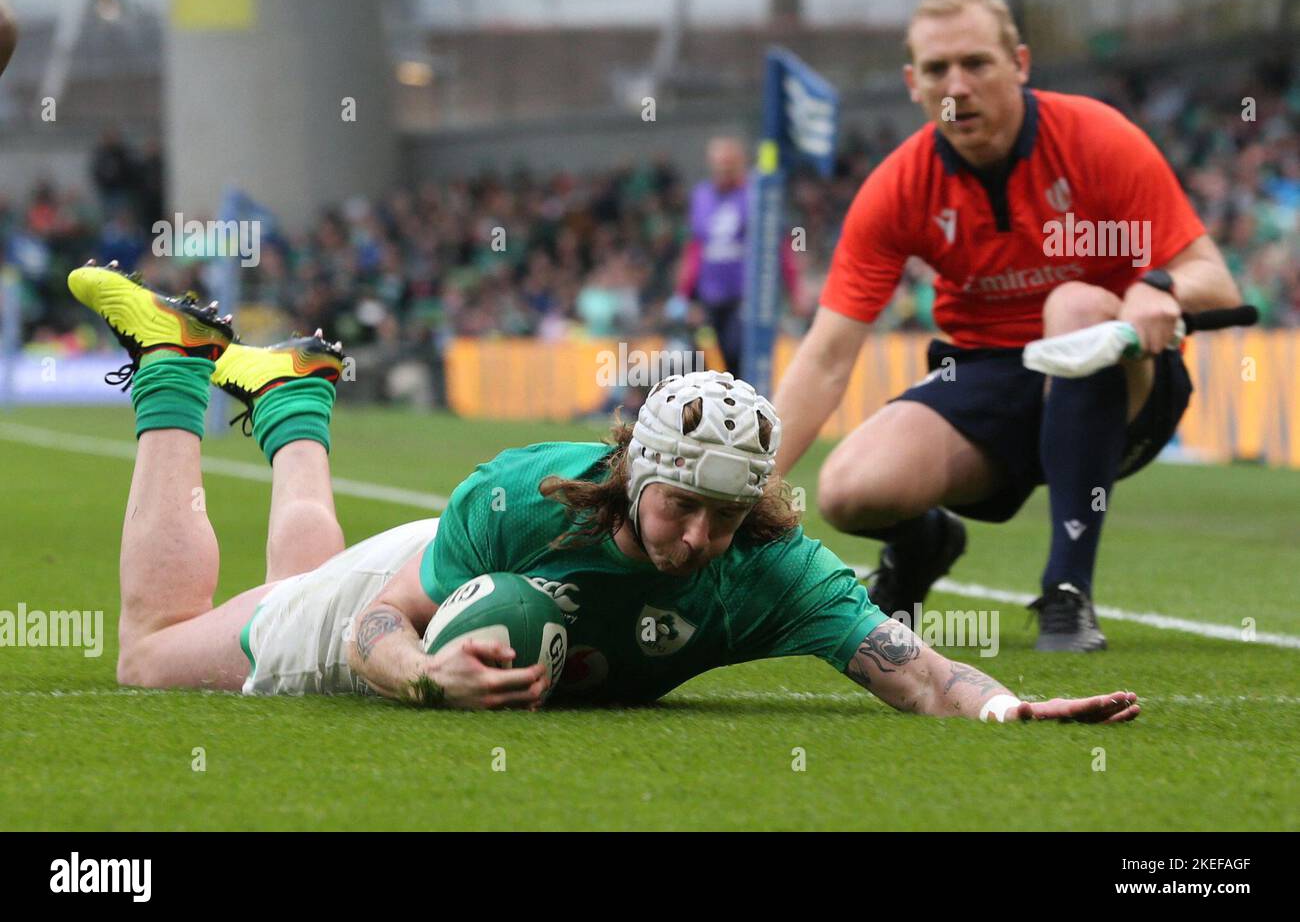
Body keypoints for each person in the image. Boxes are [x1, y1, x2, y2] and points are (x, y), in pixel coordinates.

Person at [67, 259, 1139, 723]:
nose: (700, 537)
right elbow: (377, 620)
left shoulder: (770, 565)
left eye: (728, 512)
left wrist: (1002, 706)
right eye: (683, 505)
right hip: (414, 585)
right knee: (153, 653)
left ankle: (293, 391)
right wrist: (427, 676)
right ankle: (174, 362)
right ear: (636, 472)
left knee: (299, 574)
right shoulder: (529, 494)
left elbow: (920, 676)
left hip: (418, 566)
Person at [772, 0, 1243, 651]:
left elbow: (1216, 280)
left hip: (1118, 373)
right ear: (912, 83)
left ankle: (1067, 594)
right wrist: (748, 493)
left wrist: (1159, 288)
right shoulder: (897, 186)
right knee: (849, 491)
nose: (956, 86)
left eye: (977, 63)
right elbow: (824, 357)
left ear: (1019, 64)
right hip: (991, 376)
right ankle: (924, 543)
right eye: (937, 70)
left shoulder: (1098, 138)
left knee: (1074, 303)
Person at [670, 137, 799, 379]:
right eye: (718, 164)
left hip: (745, 296)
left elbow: (781, 245)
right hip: (709, 297)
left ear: (741, 163)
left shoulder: (757, 196)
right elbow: (695, 249)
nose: (722, 171)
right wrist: (684, 295)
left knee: (737, 354)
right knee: (704, 362)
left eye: (728, 164)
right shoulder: (701, 196)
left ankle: (743, 413)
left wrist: (793, 291)